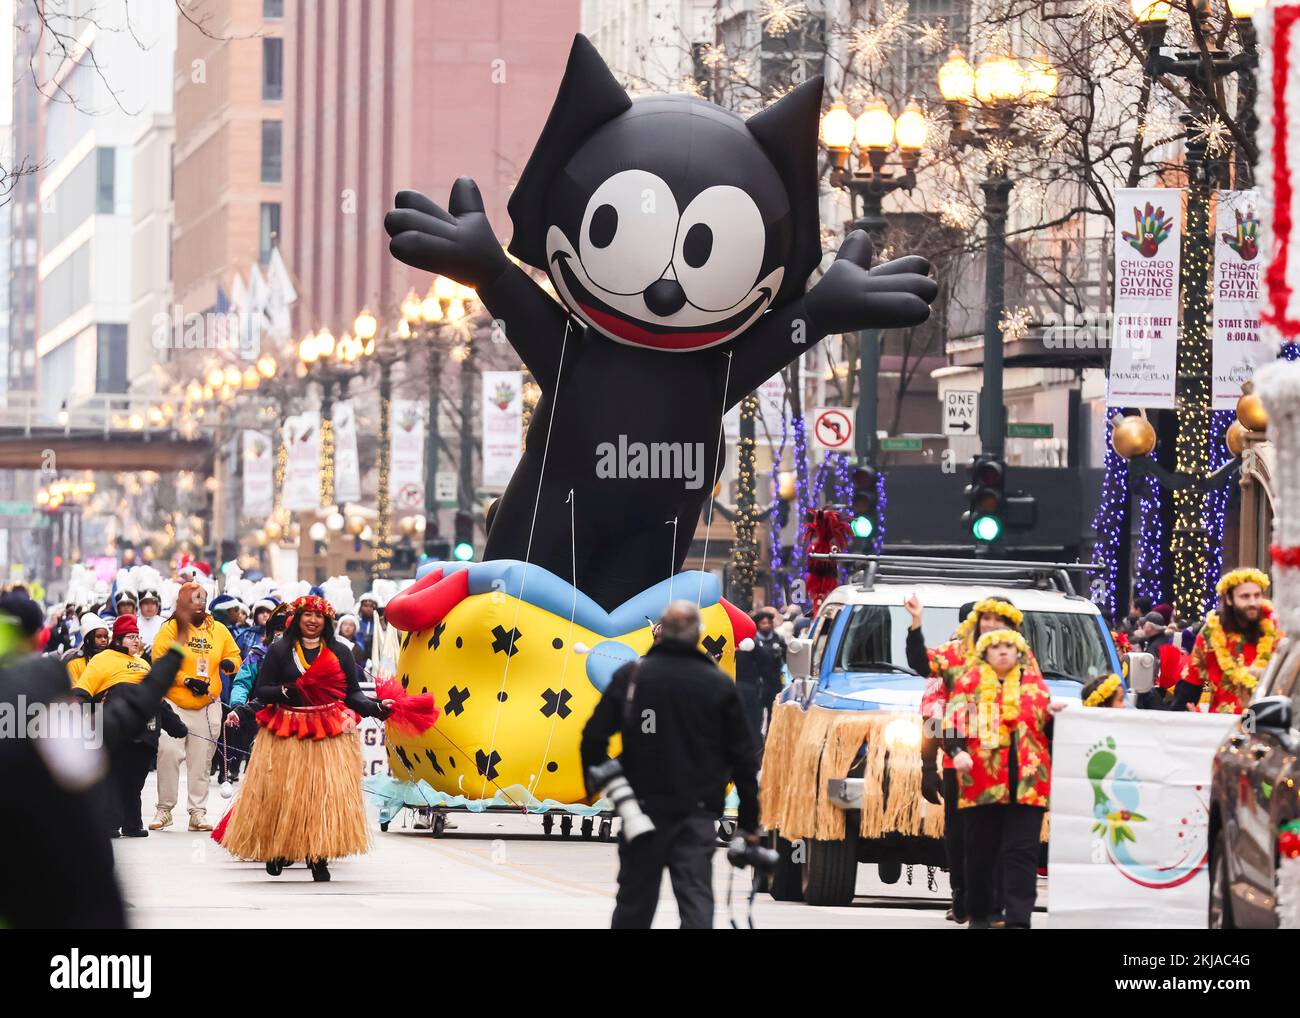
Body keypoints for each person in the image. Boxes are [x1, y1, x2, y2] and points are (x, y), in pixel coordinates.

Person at [579, 600, 760, 930]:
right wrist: (749, 823)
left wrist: (606, 784)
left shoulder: (632, 677)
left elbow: (592, 739)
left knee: (634, 903)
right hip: (697, 810)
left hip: (642, 810)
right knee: (696, 901)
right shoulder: (717, 684)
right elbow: (743, 758)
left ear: (660, 633)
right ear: (697, 636)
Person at [218, 595, 393, 882]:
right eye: (307, 615)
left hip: (328, 731)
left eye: (318, 616)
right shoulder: (280, 649)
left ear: (327, 621)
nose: (312, 621)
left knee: (322, 794)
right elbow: (263, 690)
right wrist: (283, 692)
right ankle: (279, 850)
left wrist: (376, 708)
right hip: (286, 728)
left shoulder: (340, 651)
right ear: (298, 618)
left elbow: (353, 694)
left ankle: (318, 856)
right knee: (284, 792)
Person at [905, 594, 1028, 925]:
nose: (989, 626)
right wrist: (929, 764)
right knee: (962, 837)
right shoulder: (954, 656)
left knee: (1001, 838)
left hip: (1003, 763)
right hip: (958, 759)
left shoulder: (1020, 660)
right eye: (983, 619)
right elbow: (932, 710)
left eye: (997, 621)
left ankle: (995, 905)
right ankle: (963, 893)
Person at [944, 628, 1060, 930]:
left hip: (1027, 785)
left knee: (1022, 853)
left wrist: (1058, 717)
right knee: (981, 853)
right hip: (981, 785)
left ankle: (1020, 920)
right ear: (985, 653)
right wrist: (957, 752)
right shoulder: (970, 684)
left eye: (1009, 646)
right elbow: (952, 724)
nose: (1003, 651)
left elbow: (1048, 731)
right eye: (996, 647)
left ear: (1019, 651)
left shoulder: (1036, 687)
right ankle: (981, 916)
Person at [72, 615, 188, 836]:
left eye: (138, 636)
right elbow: (83, 690)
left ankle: (132, 823)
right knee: (115, 777)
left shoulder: (143, 663)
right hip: (116, 726)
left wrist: (176, 725)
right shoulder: (103, 659)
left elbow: (157, 699)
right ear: (118, 639)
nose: (136, 641)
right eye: (131, 636)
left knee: (136, 781)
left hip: (146, 731)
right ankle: (110, 822)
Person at [149, 582, 242, 832]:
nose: (198, 604)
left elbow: (235, 655)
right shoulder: (171, 629)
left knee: (201, 761)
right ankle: (164, 809)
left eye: (202, 599)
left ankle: (198, 814)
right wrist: (185, 680)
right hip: (174, 703)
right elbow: (159, 660)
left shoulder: (220, 630)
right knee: (168, 753)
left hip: (207, 704)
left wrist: (228, 665)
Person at [1171, 568, 1282, 714]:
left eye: (1257, 595)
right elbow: (1191, 681)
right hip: (1222, 725)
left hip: (1266, 722)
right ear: (1229, 599)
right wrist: (1184, 716)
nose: (1253, 602)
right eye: (1245, 596)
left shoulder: (1275, 630)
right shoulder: (1211, 633)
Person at [734, 607, 786, 746]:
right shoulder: (749, 643)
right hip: (753, 685)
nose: (767, 626)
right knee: (754, 717)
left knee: (773, 714)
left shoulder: (778, 639)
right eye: (763, 623)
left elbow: (782, 659)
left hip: (772, 683)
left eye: (769, 623)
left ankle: (770, 740)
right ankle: (756, 744)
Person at [65, 613, 111, 687]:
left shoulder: (112, 660)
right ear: (88, 639)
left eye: (105, 637)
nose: (103, 640)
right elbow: (74, 692)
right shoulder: (74, 665)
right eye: (99, 636)